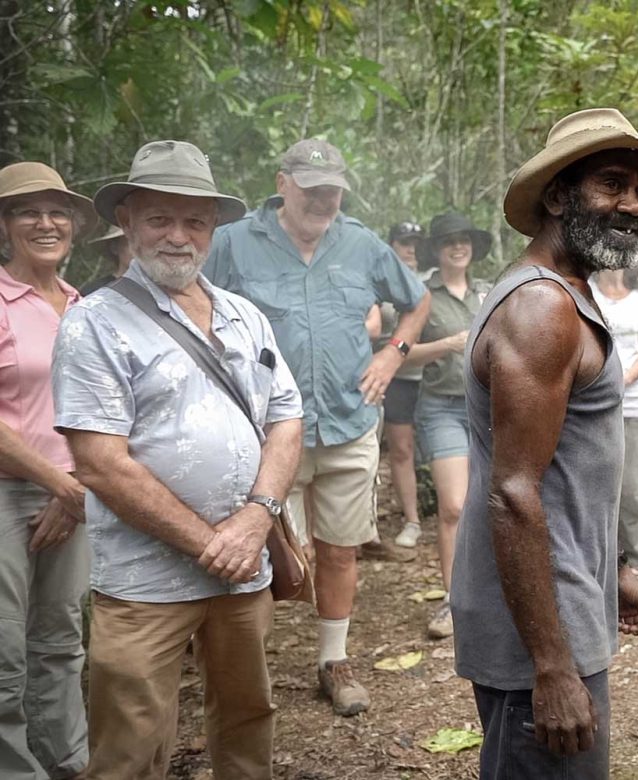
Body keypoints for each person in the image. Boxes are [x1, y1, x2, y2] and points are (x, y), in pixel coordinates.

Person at [52, 140, 304, 779]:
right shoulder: (95, 323)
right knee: (131, 743)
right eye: (159, 218)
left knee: (249, 717)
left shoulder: (245, 316)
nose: (177, 236)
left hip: (241, 573)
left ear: (213, 230)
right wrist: (210, 543)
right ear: (128, 223)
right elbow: (101, 464)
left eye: (194, 221)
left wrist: (256, 519)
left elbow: (285, 417)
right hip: (145, 583)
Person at [451, 108, 638, 778]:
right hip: (539, 632)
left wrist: (616, 569)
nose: (632, 204)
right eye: (611, 183)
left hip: (570, 594)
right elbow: (515, 493)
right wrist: (551, 668)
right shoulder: (542, 308)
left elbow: (573, 467)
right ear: (556, 195)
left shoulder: (572, 291)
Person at [204, 138, 430, 716]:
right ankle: (241, 675)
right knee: (266, 554)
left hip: (349, 423)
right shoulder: (234, 243)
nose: (323, 200)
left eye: (332, 190)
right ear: (283, 183)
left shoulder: (361, 243)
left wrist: (392, 354)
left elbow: (417, 300)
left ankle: (334, 660)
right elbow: (189, 303)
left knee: (339, 550)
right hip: (267, 431)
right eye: (311, 188)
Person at [0, 161, 95, 780]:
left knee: (62, 643)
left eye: (57, 211)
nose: (45, 222)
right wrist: (56, 482)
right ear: (5, 225)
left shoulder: (86, 306)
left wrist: (76, 489)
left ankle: (70, 763)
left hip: (80, 494)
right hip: (9, 491)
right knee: (4, 650)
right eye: (28, 211)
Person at [402, 212, 492, 638]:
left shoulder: (487, 293)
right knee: (454, 505)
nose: (458, 247)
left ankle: (491, 594)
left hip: (489, 409)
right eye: (449, 241)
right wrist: (447, 345)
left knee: (494, 503)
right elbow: (399, 351)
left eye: (465, 240)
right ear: (436, 250)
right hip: (440, 407)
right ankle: (454, 601)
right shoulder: (422, 294)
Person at [591, 264, 638, 570]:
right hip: (592, 405)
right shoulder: (586, 287)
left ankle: (634, 564)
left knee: (632, 490)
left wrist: (623, 379)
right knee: (595, 488)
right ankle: (597, 564)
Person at [377, 220, 430, 549]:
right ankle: (411, 519)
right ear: (392, 244)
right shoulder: (380, 282)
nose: (410, 248)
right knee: (401, 449)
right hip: (396, 378)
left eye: (415, 242)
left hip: (434, 376)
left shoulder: (433, 281)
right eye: (403, 242)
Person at [79, 224, 132, 295]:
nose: (139, 249)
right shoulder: (94, 291)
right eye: (132, 242)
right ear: (114, 247)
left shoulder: (150, 289)